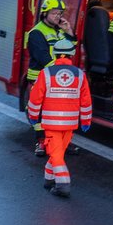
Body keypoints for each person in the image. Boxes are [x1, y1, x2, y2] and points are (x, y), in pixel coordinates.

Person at [26, 37, 92, 198]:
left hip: (51, 122)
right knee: (58, 153)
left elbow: (35, 98)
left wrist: (33, 116)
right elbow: (86, 100)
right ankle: (49, 179)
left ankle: (63, 185)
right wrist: (86, 120)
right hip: (70, 123)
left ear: (55, 54)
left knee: (55, 154)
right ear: (72, 54)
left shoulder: (46, 73)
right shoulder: (80, 75)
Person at [25, 0, 75, 155]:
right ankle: (41, 143)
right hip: (41, 78)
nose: (58, 16)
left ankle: (62, 143)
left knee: (60, 113)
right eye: (54, 13)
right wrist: (63, 73)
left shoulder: (59, 30)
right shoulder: (36, 33)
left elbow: (70, 50)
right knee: (40, 113)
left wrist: (69, 32)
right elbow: (44, 58)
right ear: (45, 13)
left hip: (57, 78)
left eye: (60, 13)